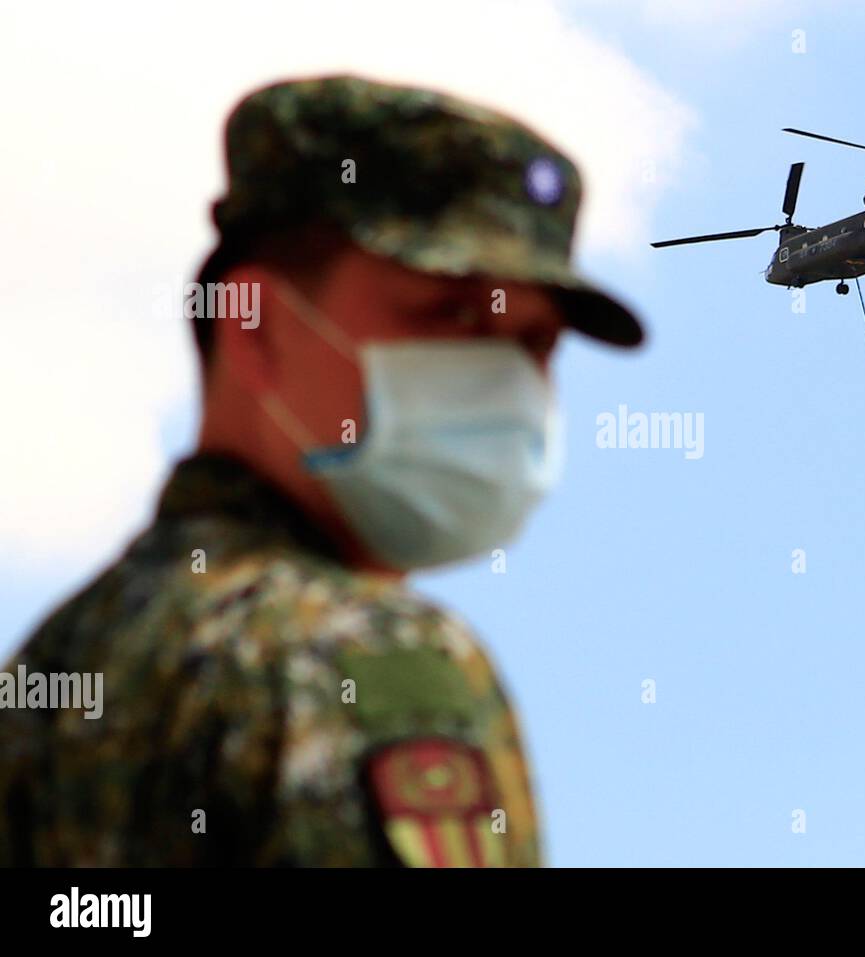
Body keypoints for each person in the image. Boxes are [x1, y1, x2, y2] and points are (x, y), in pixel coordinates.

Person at [0, 74, 643, 867]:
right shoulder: (376, 657)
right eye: (453, 313)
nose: (508, 380)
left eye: (537, 344)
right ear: (254, 327)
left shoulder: (54, 668)